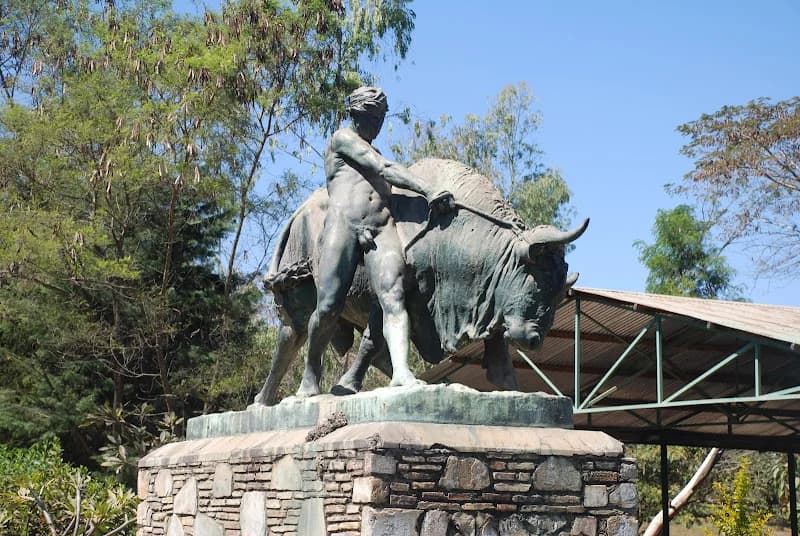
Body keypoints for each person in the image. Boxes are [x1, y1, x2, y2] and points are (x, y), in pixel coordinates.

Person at [297, 86, 453, 397]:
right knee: (328, 308)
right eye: (372, 117)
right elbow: (383, 168)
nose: (377, 123)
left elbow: (386, 178)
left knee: (393, 298)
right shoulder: (342, 139)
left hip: (381, 228)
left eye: (381, 117)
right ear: (355, 114)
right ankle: (310, 375)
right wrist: (427, 188)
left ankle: (401, 372)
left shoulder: (375, 153)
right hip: (344, 225)